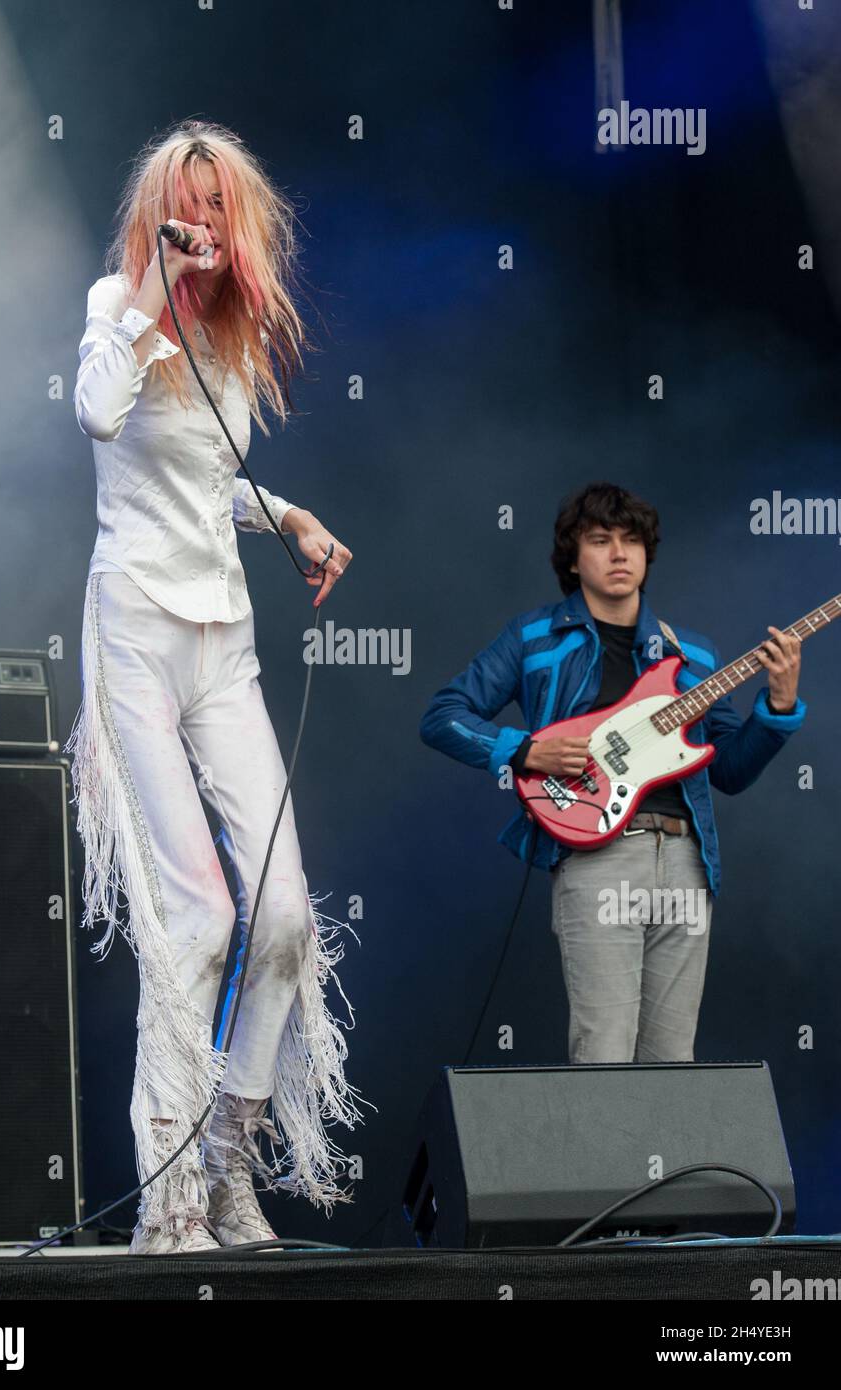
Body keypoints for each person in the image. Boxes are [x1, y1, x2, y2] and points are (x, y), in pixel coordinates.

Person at [66, 118, 363, 1254]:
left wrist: (282, 513)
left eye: (213, 204)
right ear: (155, 217)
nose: (198, 222)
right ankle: (169, 1202)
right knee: (194, 917)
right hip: (134, 633)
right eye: (178, 204)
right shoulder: (117, 311)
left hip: (222, 641)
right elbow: (96, 415)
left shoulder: (233, 341)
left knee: (282, 915)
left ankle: (229, 1164)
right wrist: (148, 287)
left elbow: (206, 483)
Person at [420, 482, 805, 1065]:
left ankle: (660, 1162)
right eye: (600, 540)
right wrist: (525, 751)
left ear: (648, 555)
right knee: (605, 1056)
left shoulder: (692, 655)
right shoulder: (534, 637)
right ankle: (605, 1163)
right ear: (573, 558)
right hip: (597, 857)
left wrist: (777, 708)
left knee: (672, 1060)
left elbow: (729, 770)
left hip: (685, 863)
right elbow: (442, 716)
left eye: (632, 541)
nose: (619, 554)